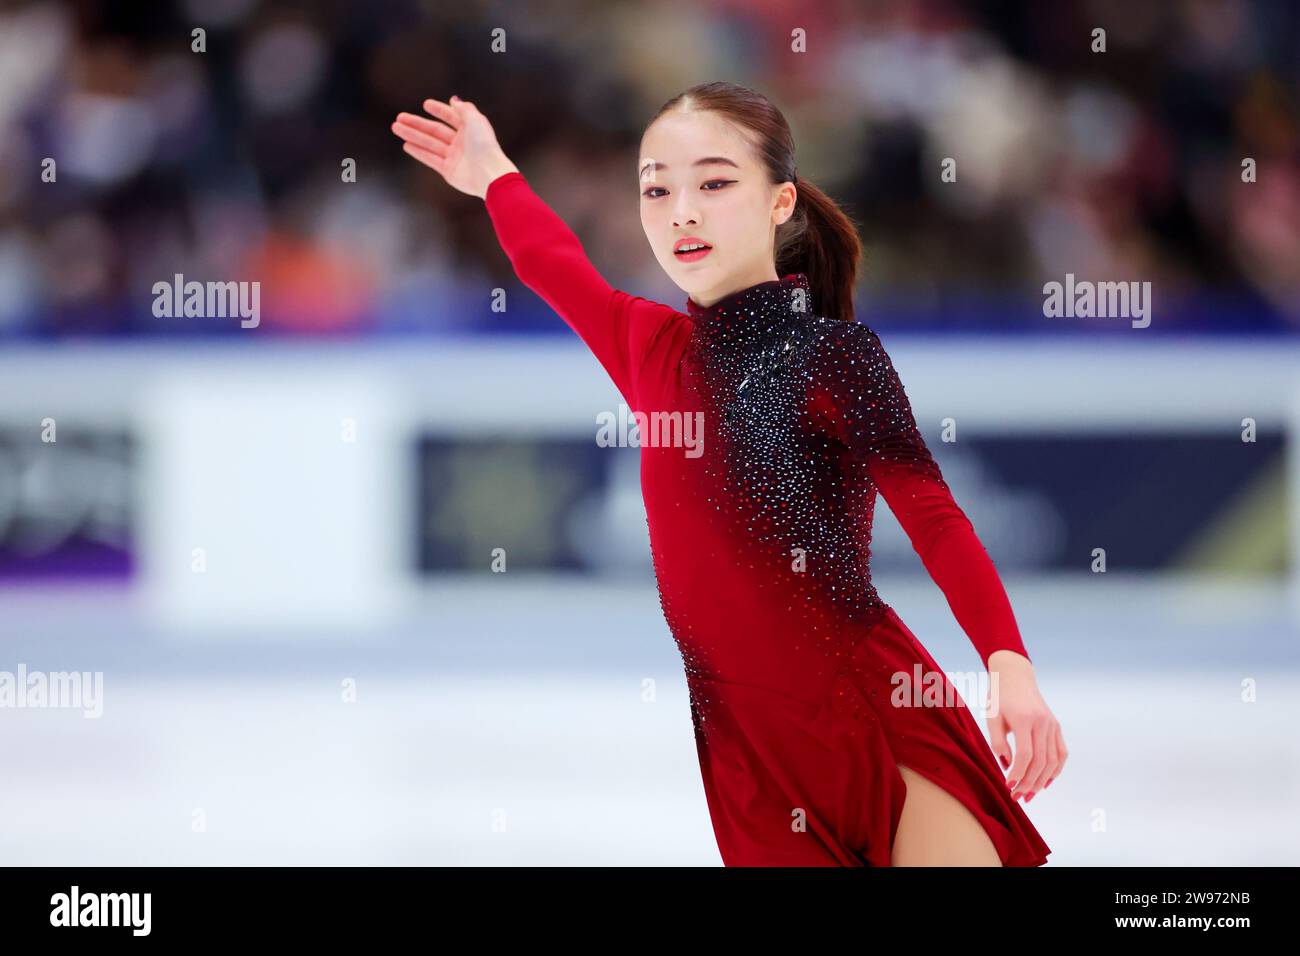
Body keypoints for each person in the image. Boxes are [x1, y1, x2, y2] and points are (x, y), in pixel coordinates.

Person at [391, 80, 1065, 866]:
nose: (682, 210)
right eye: (657, 187)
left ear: (780, 204)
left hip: (879, 721)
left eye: (713, 183)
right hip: (749, 760)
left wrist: (1008, 667)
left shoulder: (836, 357)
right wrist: (494, 174)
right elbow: (551, 262)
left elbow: (934, 518)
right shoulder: (648, 350)